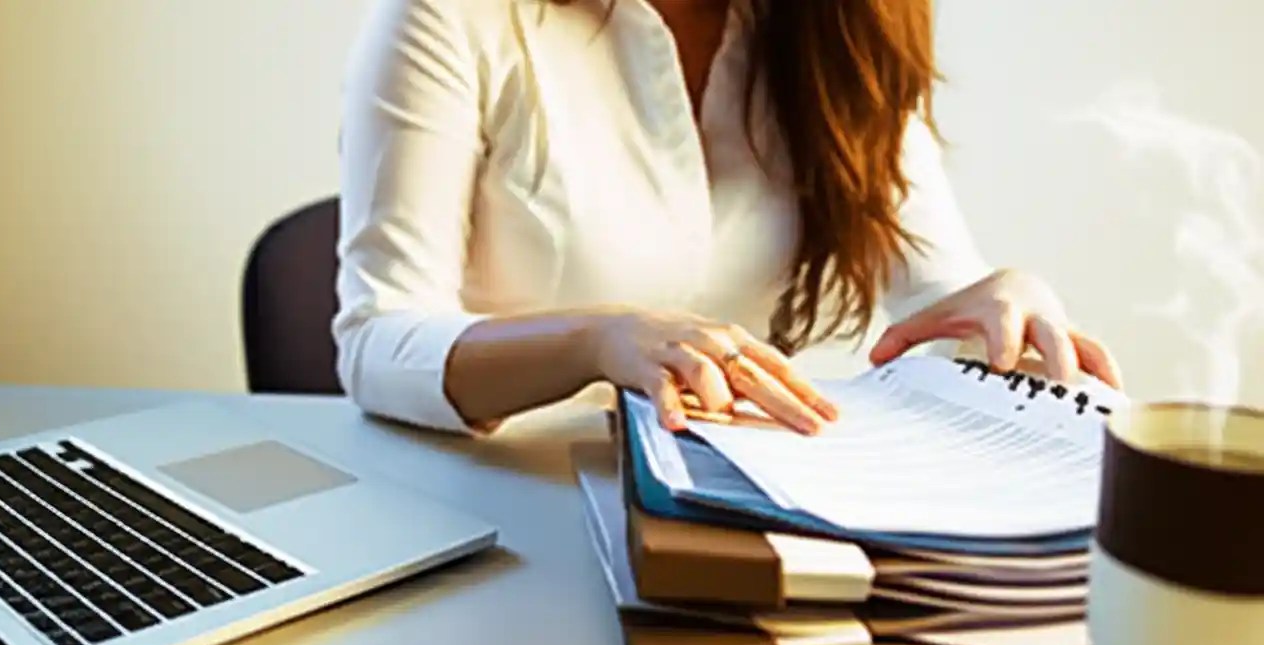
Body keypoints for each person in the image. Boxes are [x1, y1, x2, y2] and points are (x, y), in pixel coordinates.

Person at [333, 0, 1122, 437]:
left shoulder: (835, 32)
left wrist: (998, 302)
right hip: (498, 508)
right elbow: (375, 340)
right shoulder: (449, 17)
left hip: (736, 500)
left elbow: (935, 303)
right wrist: (597, 339)